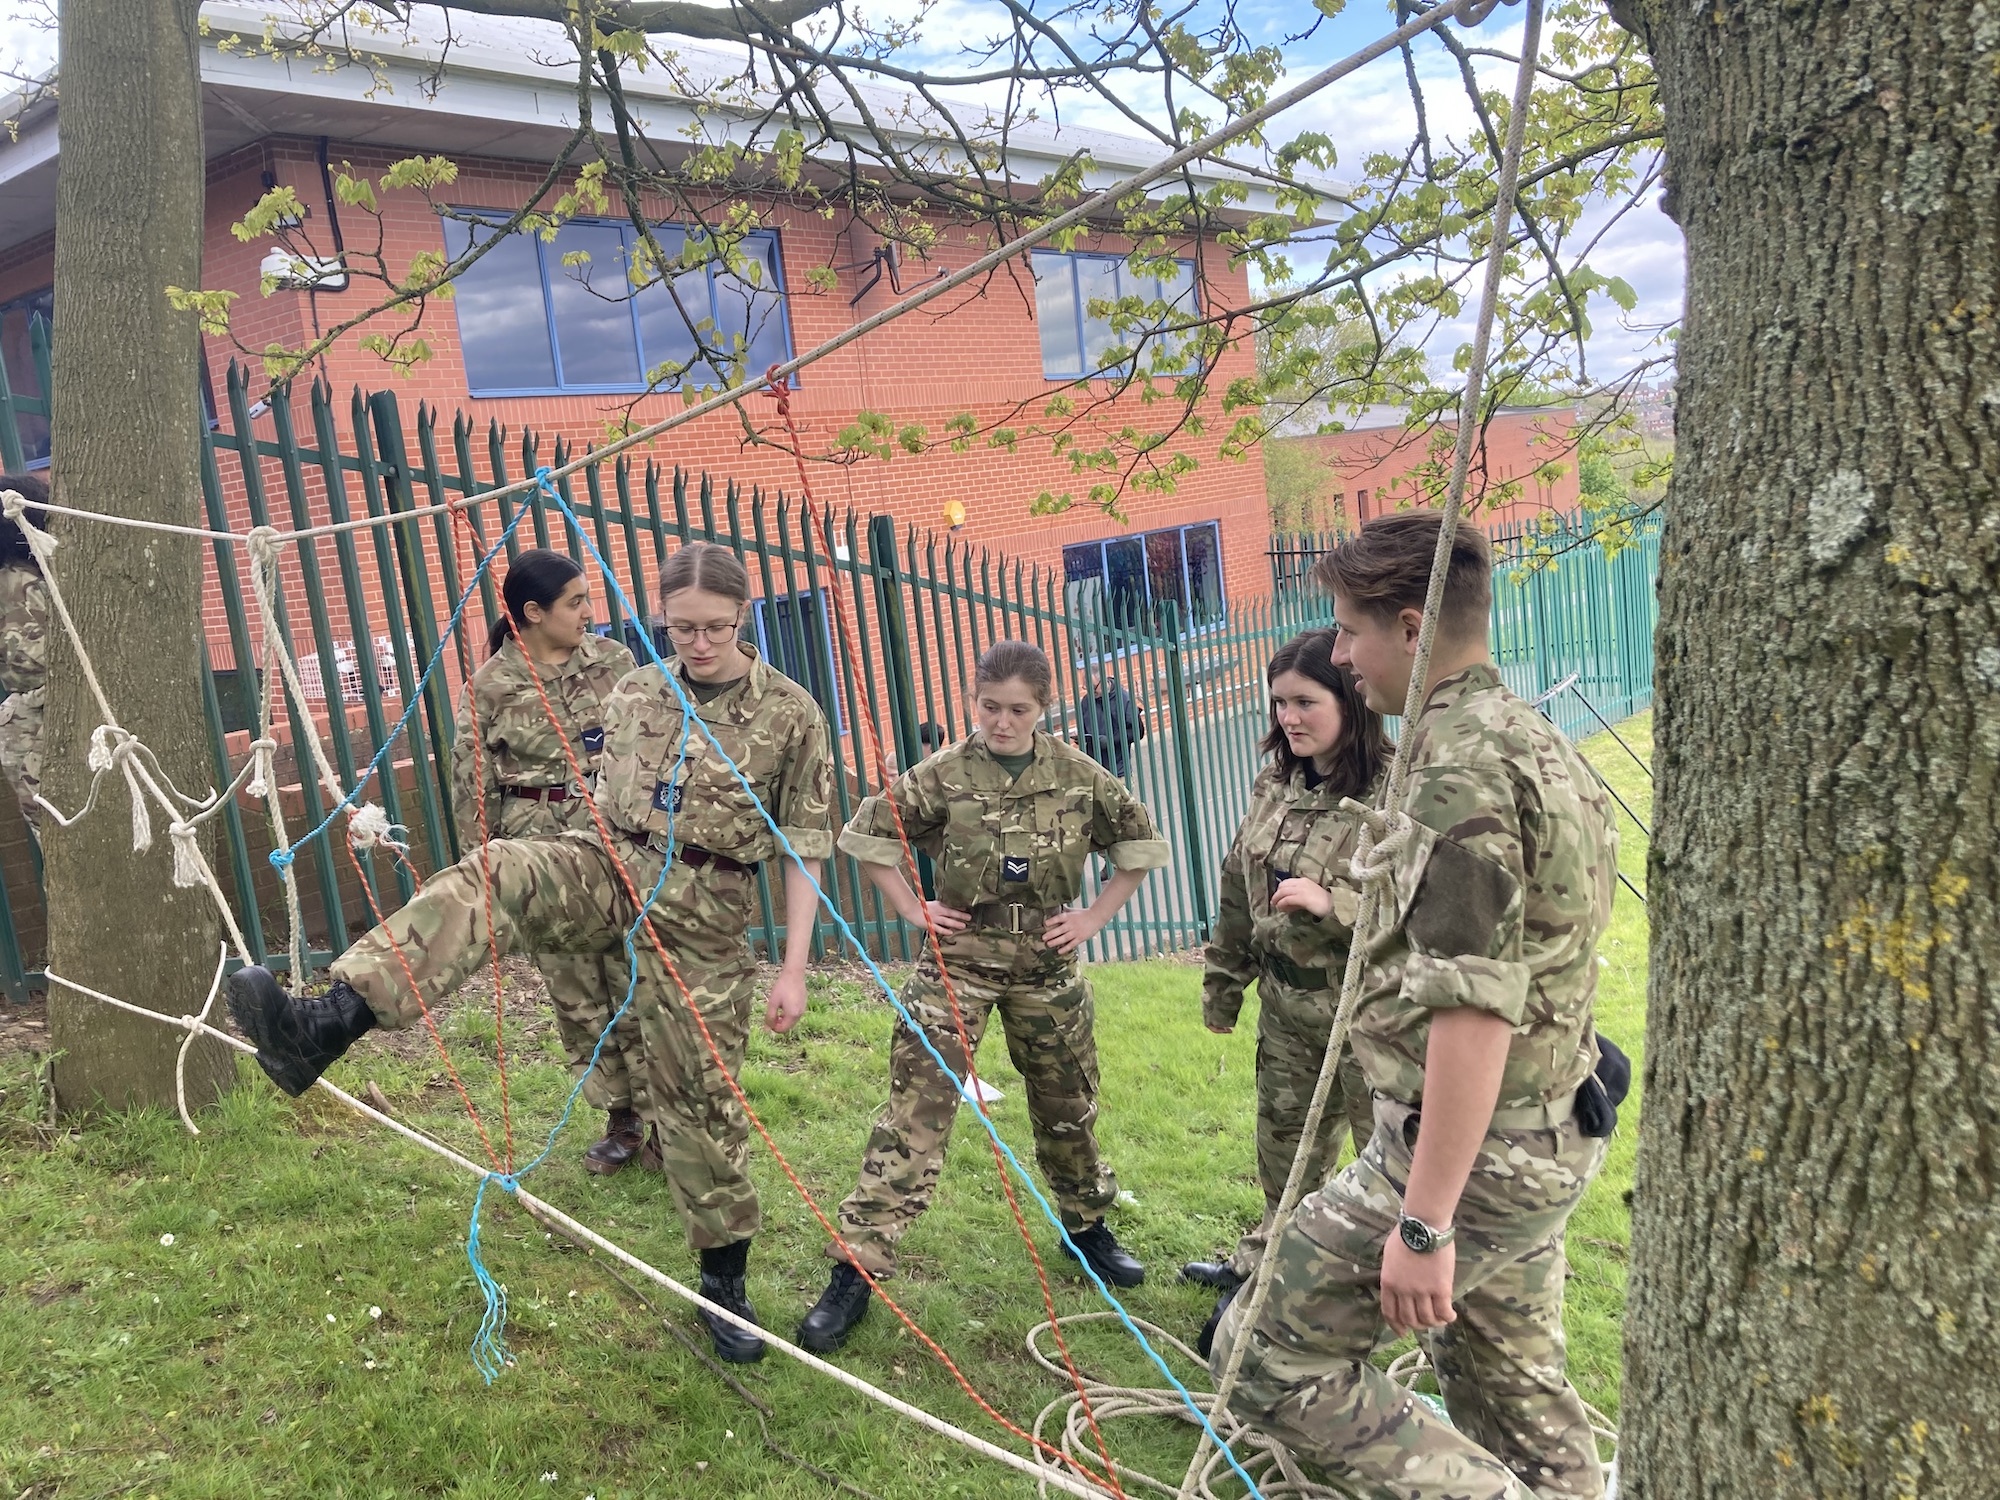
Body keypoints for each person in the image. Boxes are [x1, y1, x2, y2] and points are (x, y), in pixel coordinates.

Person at [227, 541, 834, 1365]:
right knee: (498, 871)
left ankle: (723, 1282)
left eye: (714, 628)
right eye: (679, 627)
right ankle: (325, 1025)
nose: (695, 643)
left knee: (700, 1101)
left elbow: (804, 847)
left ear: (745, 617)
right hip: (609, 863)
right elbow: (594, 797)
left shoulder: (790, 714)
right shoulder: (638, 690)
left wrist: (793, 966)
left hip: (705, 910)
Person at [1207, 512, 1618, 1500]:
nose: (1340, 657)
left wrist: (1424, 1223)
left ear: (1407, 624)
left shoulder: (1457, 767)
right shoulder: (1521, 737)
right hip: (1540, 1130)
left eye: (1347, 631)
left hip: (1470, 1157)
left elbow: (1473, 1004)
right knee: (1508, 1398)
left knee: (1261, 1354)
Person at [796, 640, 1169, 1354]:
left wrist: (1092, 918)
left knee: (1068, 1104)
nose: (1002, 722)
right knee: (917, 1108)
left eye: (1018, 710)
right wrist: (912, 909)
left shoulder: (1078, 774)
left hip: (1046, 965)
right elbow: (869, 836)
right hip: (958, 959)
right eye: (989, 707)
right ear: (975, 702)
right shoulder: (943, 773)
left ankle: (1086, 1228)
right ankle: (859, 1266)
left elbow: (1139, 846)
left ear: (1044, 707)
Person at [1181, 630, 1390, 1346]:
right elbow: (1237, 887)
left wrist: (1340, 906)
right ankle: (1262, 1271)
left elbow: (1431, 906)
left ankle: (1365, 1310)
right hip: (1287, 1009)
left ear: (1349, 702)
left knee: (1383, 1172)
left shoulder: (1394, 788)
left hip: (1367, 1017)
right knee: (1286, 1158)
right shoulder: (1276, 782)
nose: (1290, 717)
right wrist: (1224, 983)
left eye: (1306, 701)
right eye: (1280, 703)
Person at [451, 549, 643, 1175]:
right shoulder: (491, 686)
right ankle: (622, 1117)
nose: (590, 612)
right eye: (576, 602)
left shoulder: (615, 664)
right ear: (533, 613)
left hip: (614, 834)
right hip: (536, 841)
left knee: (635, 971)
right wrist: (484, 865)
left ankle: (668, 1112)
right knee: (574, 984)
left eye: (589, 598)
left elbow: (655, 745)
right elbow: (471, 782)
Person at [0, 473, 50, 834]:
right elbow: (30, 664)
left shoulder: (21, 579)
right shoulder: (20, 582)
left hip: (30, 724)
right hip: (37, 724)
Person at [1075, 673, 1145, 779]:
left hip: (1118, 771)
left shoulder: (1123, 699)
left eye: (1093, 687)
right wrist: (1081, 737)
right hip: (1094, 771)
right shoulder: (1086, 702)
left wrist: (1110, 741)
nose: (1091, 692)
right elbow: (1085, 730)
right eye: (1087, 688)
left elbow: (1137, 732)